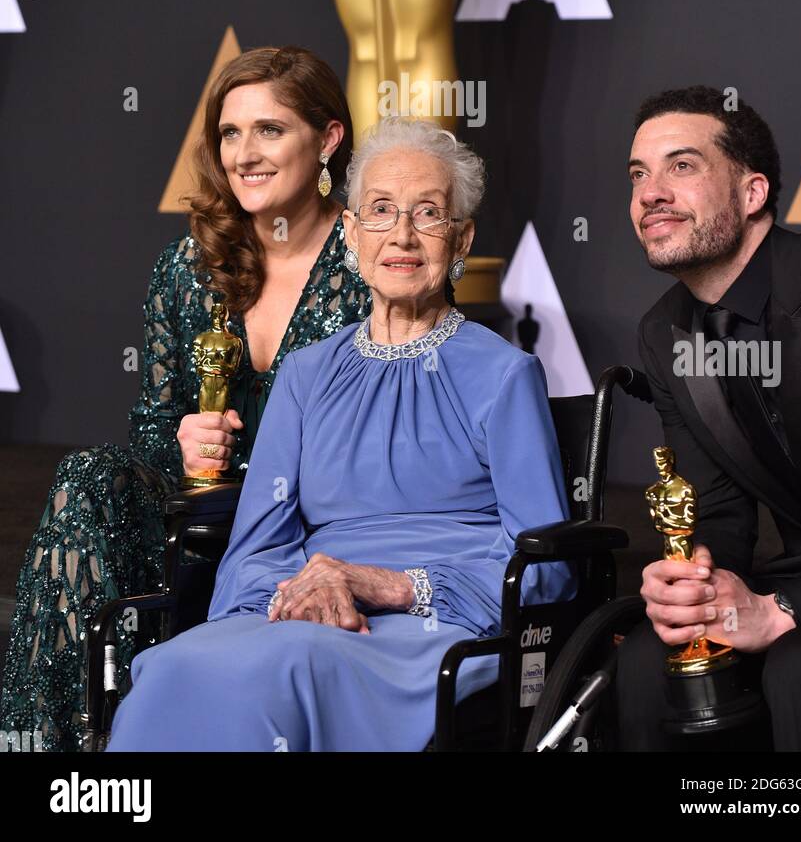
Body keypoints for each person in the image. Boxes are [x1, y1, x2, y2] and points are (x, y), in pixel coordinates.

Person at [105, 116, 575, 752]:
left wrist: (388, 583)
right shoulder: (304, 374)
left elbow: (547, 567)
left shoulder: (504, 375)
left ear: (460, 239)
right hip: (303, 608)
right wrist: (297, 594)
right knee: (174, 667)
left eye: (428, 214)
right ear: (351, 234)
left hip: (432, 624)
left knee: (291, 666)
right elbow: (252, 548)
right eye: (379, 211)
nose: (402, 235)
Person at [0, 46, 369, 752]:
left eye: (269, 130)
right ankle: (51, 747)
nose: (244, 154)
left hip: (317, 522)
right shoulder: (190, 263)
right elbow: (150, 425)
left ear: (326, 139)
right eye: (229, 134)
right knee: (88, 481)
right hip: (200, 514)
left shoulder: (375, 260)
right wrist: (181, 441)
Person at [618, 84, 801, 751]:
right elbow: (718, 511)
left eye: (682, 166)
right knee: (647, 662)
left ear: (752, 194)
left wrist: (779, 609)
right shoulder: (664, 332)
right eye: (638, 174)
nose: (649, 193)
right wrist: (692, 580)